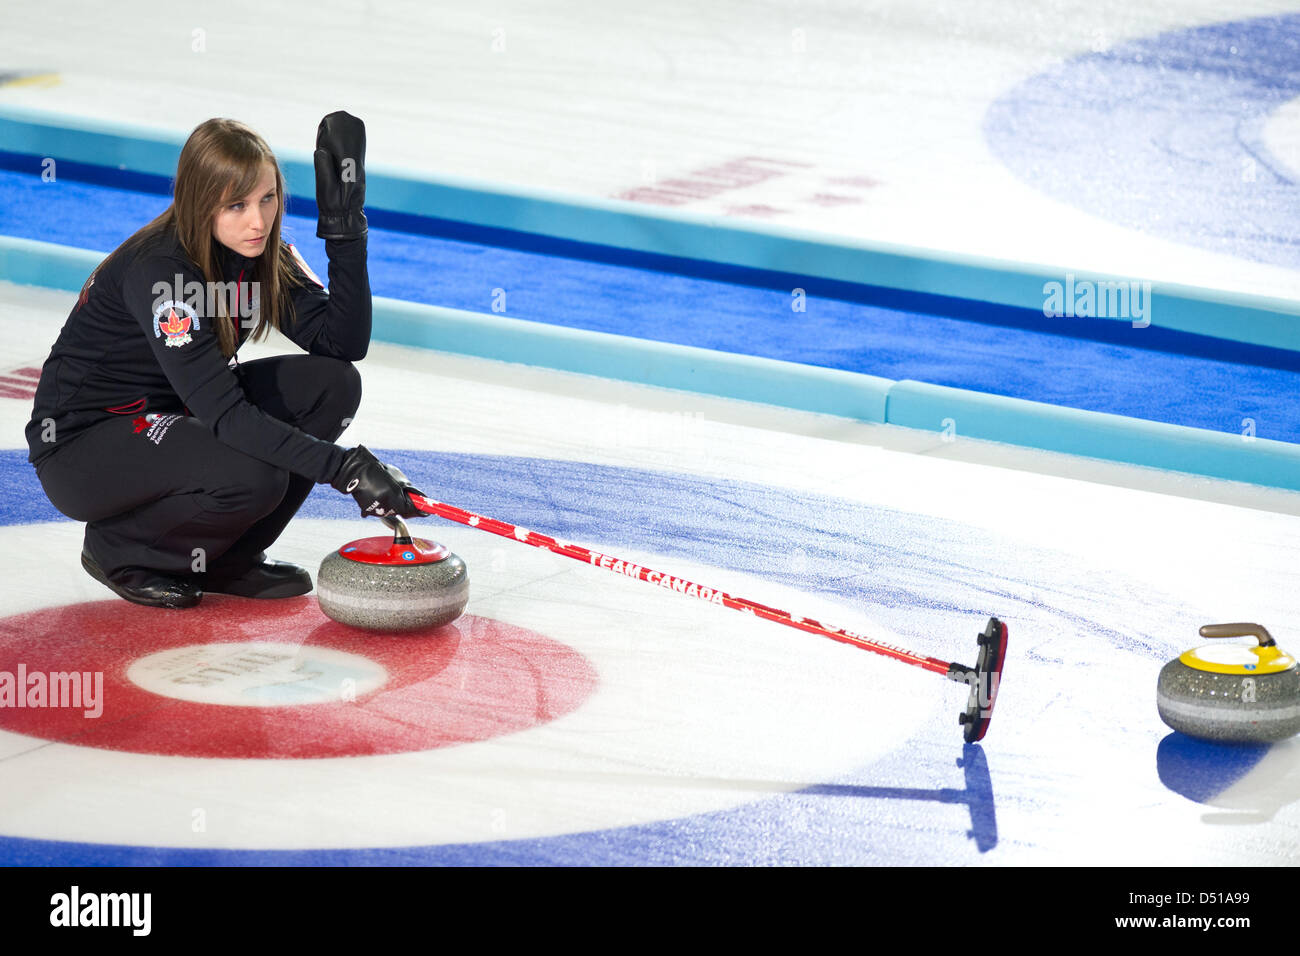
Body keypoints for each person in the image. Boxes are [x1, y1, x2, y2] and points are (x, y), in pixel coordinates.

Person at [25, 111, 425, 609]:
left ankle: (228, 557)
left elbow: (343, 345)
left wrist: (345, 231)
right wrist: (343, 468)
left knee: (333, 385)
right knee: (253, 475)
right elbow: (226, 417)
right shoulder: (163, 274)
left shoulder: (258, 250)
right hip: (85, 446)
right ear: (200, 205)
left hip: (177, 417)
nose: (258, 221)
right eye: (236, 205)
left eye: (267, 198)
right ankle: (120, 549)